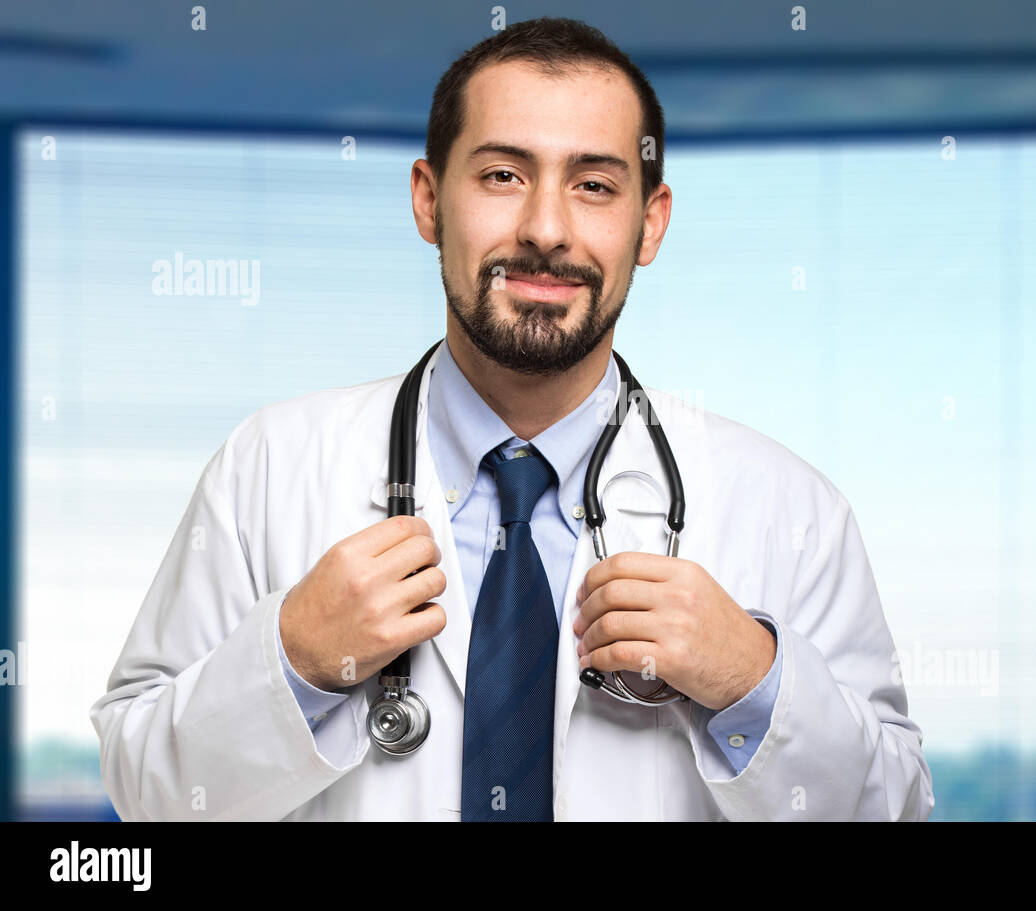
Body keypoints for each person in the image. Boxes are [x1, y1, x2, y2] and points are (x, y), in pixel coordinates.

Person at [91, 16, 933, 822]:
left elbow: (892, 808)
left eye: (595, 185)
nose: (545, 229)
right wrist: (295, 663)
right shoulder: (270, 467)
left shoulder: (787, 508)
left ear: (651, 223)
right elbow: (146, 792)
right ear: (428, 201)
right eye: (503, 175)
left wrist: (756, 683)